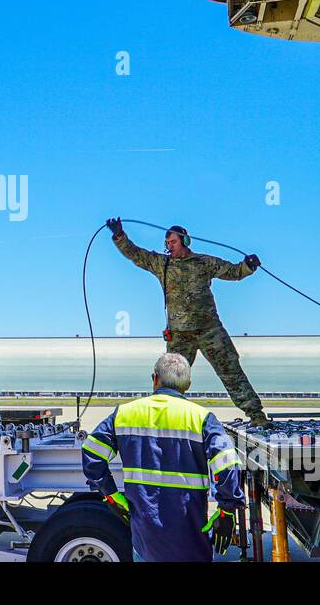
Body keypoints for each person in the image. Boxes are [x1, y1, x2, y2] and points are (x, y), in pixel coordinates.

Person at [81, 352, 244, 562]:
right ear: (188, 384)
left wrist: (110, 494)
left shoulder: (124, 414)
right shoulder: (202, 418)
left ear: (154, 379)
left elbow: (91, 453)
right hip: (190, 540)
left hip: (146, 542)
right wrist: (227, 511)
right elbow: (228, 466)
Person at [107, 218, 269, 427]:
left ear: (185, 241)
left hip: (210, 329)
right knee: (169, 379)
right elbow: (136, 255)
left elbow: (233, 272)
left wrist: (248, 266)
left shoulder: (203, 262)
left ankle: (256, 415)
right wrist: (119, 236)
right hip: (180, 334)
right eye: (167, 243)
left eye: (173, 241)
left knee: (231, 371)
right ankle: (162, 421)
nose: (169, 246)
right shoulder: (162, 264)